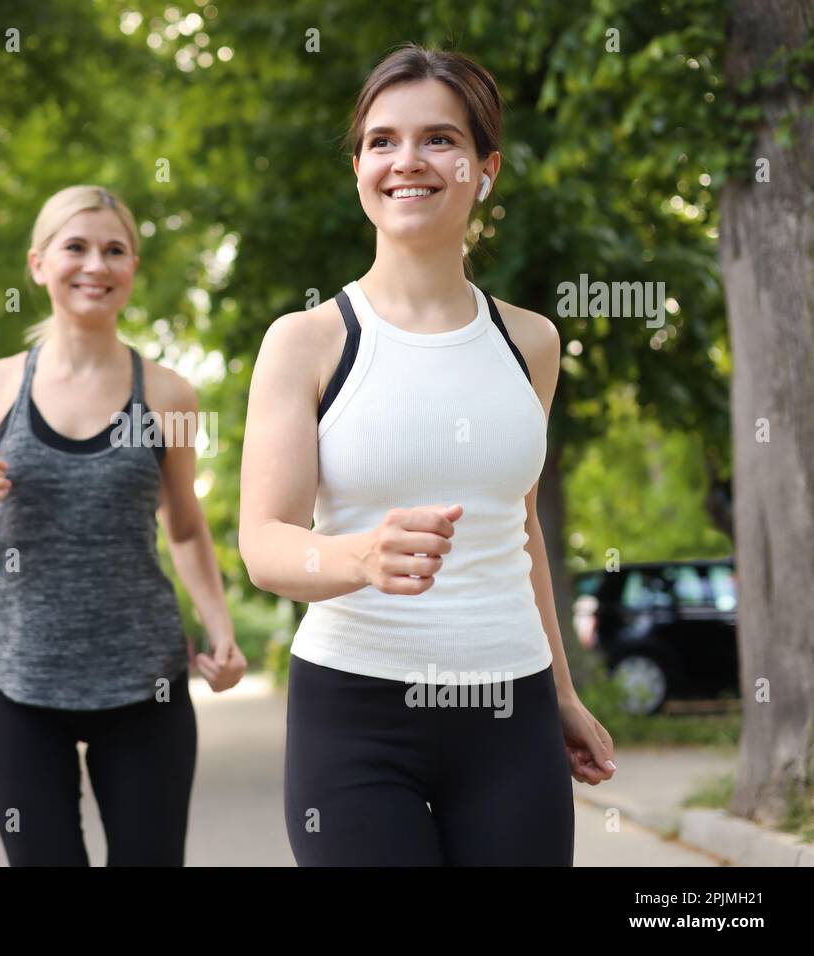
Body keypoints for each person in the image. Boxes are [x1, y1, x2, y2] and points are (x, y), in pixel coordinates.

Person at [238, 44, 616, 866]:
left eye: (439, 139)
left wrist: (559, 692)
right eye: (382, 141)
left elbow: (518, 530)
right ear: (359, 169)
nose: (407, 160)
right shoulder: (307, 342)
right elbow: (264, 541)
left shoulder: (532, 343)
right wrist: (358, 556)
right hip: (355, 718)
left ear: (485, 169)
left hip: (509, 715)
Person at [0, 184, 246, 866]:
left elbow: (186, 528)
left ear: (133, 267)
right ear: (39, 263)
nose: (95, 266)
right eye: (76, 247)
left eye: (115, 251)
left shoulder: (168, 394)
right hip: (17, 683)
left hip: (144, 684)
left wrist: (220, 630)